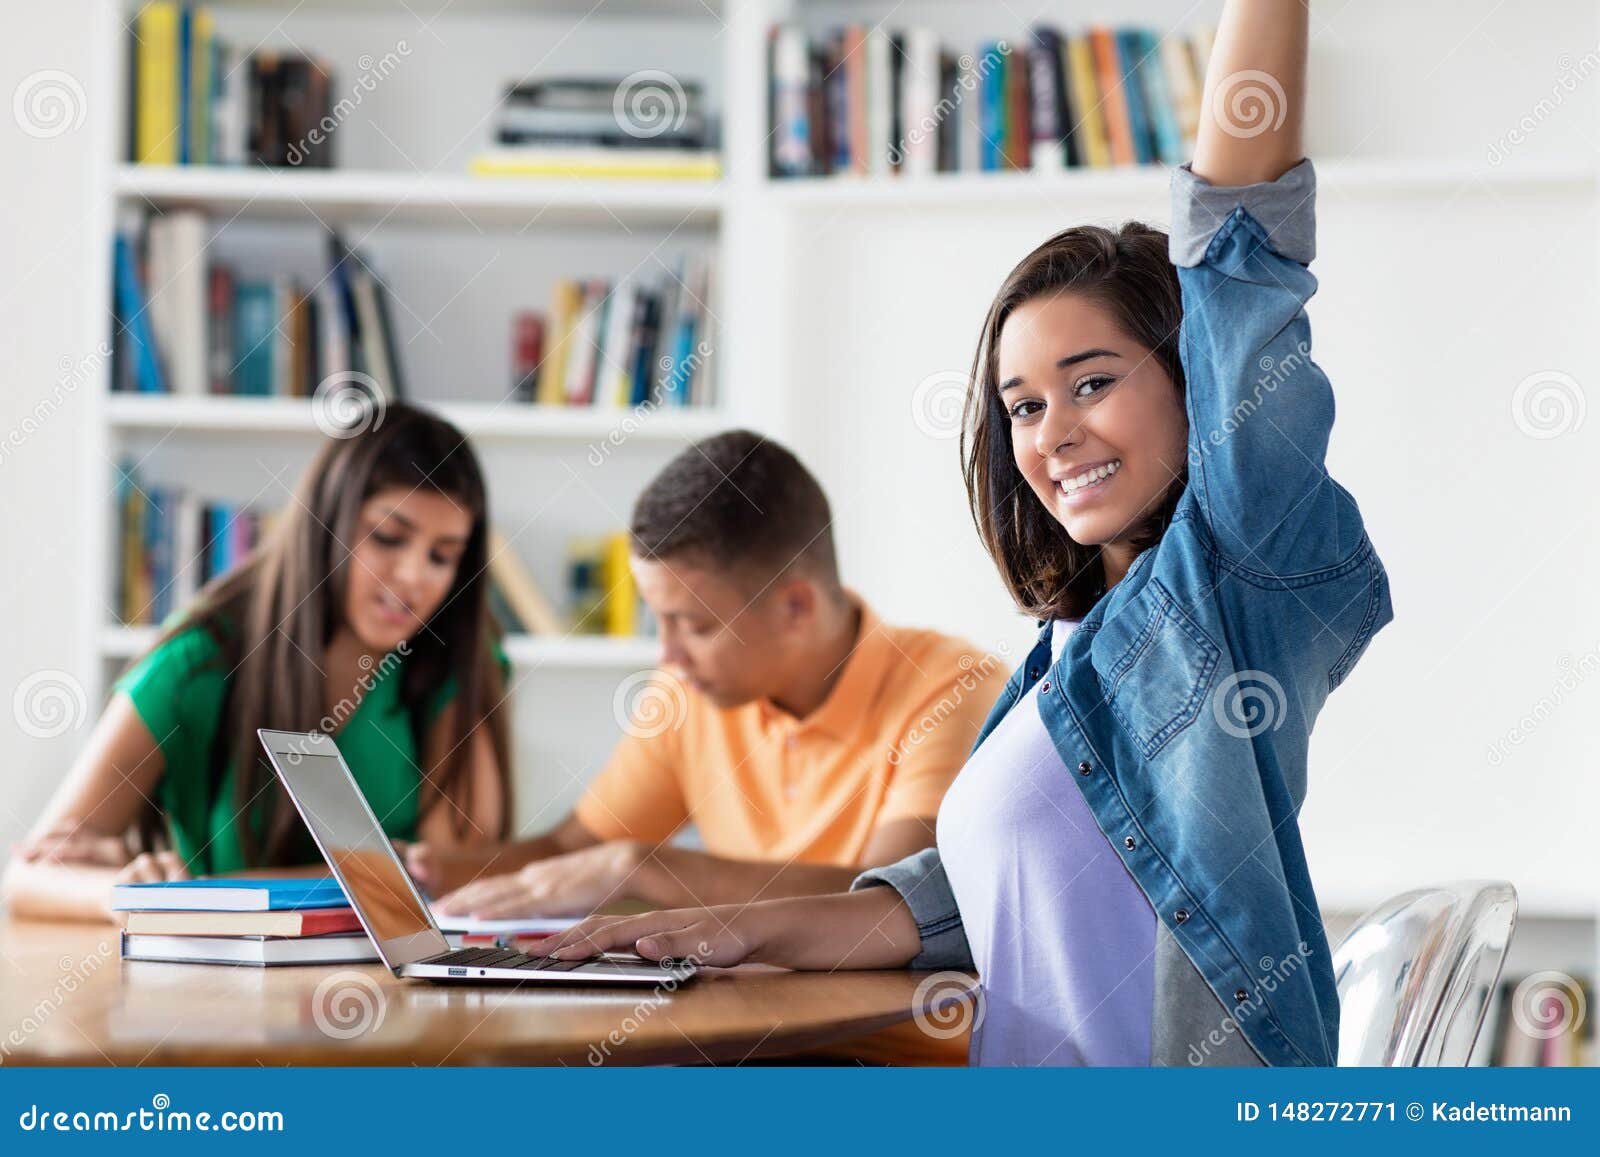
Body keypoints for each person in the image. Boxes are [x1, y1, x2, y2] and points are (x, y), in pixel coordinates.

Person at [537, 0, 1392, 1068]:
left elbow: (1240, 250)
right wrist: (732, 927)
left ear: (1194, 383)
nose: (1054, 432)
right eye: (1023, 405)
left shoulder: (1235, 576)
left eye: (1091, 382)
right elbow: (938, 909)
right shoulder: (1065, 654)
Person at [409, 430, 1006, 1064]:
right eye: (657, 621)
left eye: (694, 624)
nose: (667, 655)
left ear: (796, 606)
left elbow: (882, 904)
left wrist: (647, 868)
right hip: (742, 1041)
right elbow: (567, 852)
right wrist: (426, 873)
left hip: (886, 1059)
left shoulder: (951, 687)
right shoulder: (690, 692)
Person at [3, 403, 512, 922]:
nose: (412, 577)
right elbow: (26, 879)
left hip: (389, 988)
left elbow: (449, 875)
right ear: (326, 523)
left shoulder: (459, 659)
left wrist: (203, 892)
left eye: (442, 556)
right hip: (219, 985)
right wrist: (125, 891)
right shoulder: (196, 663)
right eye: (387, 537)